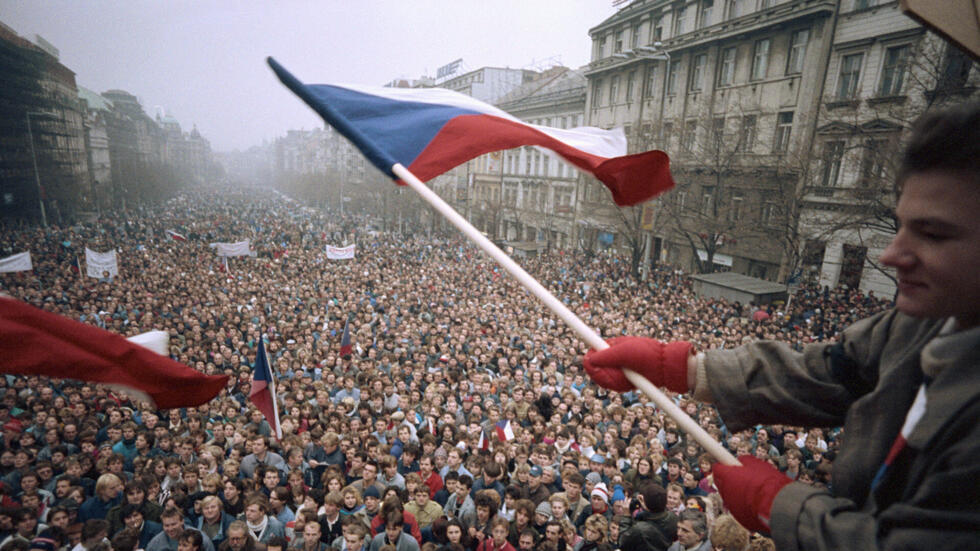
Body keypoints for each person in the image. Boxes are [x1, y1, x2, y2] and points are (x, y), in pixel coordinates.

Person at [583, 102, 980, 549]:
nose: (892, 255)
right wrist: (685, 368)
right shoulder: (923, 322)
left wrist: (784, 506)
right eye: (903, 226)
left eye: (934, 234)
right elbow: (832, 370)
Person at [619, 483, 675, 551]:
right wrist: (647, 507)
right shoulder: (673, 517)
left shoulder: (640, 529)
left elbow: (622, 543)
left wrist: (626, 516)